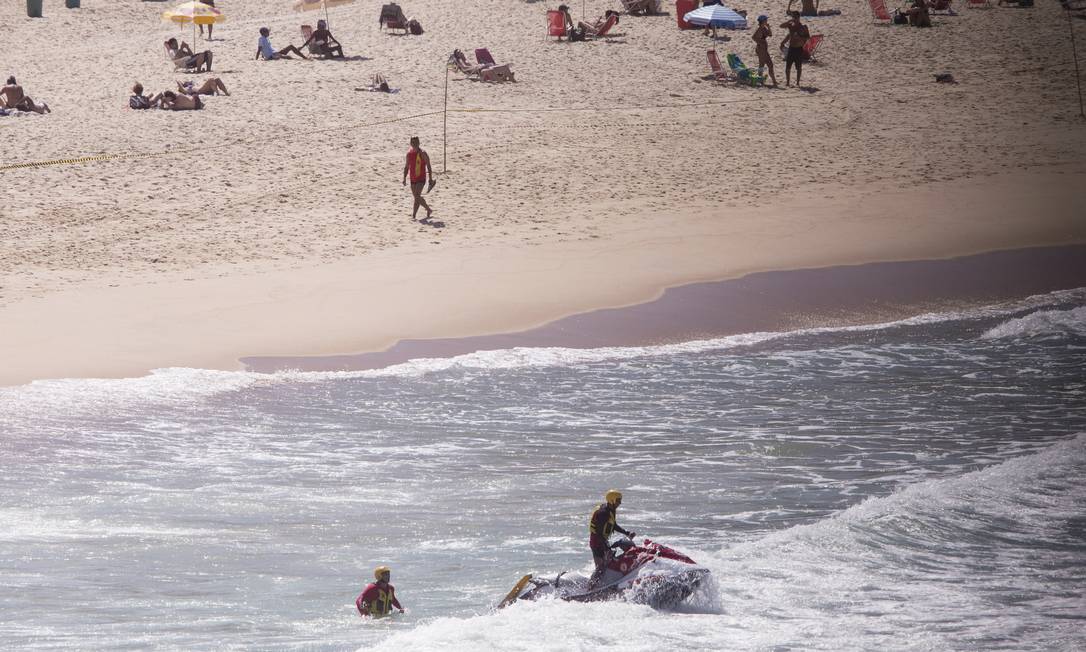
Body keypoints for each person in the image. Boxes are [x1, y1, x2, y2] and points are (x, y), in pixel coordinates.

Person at [588, 490, 636, 588]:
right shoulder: (603, 513)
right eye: (618, 500)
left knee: (607, 562)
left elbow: (613, 525)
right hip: (596, 542)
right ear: (612, 500)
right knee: (600, 566)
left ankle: (601, 582)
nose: (620, 503)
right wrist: (606, 548)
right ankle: (590, 587)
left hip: (602, 540)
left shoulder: (611, 510)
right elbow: (598, 533)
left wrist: (626, 532)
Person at [402, 136, 434, 221]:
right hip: (412, 178)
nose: (414, 144)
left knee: (416, 196)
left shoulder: (423, 153)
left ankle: (414, 215)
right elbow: (406, 167)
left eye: (416, 143)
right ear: (410, 143)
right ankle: (428, 209)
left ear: (419, 143)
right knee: (417, 197)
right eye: (413, 143)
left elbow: (429, 166)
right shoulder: (409, 154)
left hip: (421, 178)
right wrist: (404, 178)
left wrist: (430, 179)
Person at [780, 12, 810, 87]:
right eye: (793, 17)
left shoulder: (803, 27)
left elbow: (808, 38)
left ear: (799, 18)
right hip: (791, 48)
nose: (795, 19)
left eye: (796, 17)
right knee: (788, 66)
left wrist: (800, 38)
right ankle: (787, 82)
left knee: (799, 67)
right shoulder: (791, 26)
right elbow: (781, 26)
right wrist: (788, 21)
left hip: (799, 48)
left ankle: (797, 83)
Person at [751, 16, 778, 87]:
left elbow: (770, 34)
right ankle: (773, 81)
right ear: (763, 21)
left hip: (763, 49)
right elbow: (753, 37)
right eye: (766, 20)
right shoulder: (759, 29)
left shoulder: (764, 28)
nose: (767, 21)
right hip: (761, 49)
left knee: (762, 65)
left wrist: (768, 27)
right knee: (769, 64)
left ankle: (761, 80)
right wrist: (760, 42)